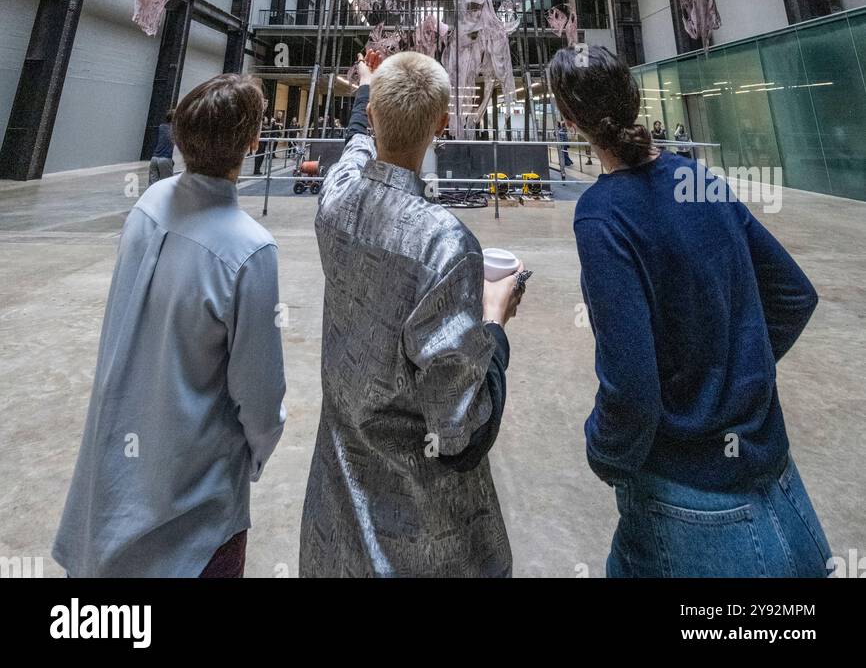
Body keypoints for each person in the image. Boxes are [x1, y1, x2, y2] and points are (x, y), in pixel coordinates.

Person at [549, 45, 830, 580]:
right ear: (633, 99)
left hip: (684, 494)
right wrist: (733, 375)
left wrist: (606, 453)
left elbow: (632, 385)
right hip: (779, 481)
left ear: (569, 121)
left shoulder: (601, 215)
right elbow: (794, 295)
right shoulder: (696, 178)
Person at [300, 51, 524, 578]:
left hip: (337, 508)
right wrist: (494, 322)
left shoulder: (336, 199)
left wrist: (365, 87)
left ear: (375, 114)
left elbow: (355, 149)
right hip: (425, 534)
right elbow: (459, 427)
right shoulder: (445, 245)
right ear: (443, 125)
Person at [53, 74, 286, 578]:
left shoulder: (147, 206)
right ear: (252, 143)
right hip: (197, 500)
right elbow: (260, 394)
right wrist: (258, 450)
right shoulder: (250, 251)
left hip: (114, 472)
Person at [148, 108, 174, 186]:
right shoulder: (175, 130)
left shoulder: (161, 127)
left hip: (154, 159)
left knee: (152, 186)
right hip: (165, 159)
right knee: (166, 185)